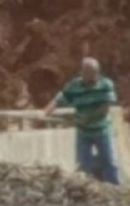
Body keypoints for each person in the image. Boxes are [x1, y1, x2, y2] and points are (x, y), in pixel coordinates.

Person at [42, 57, 120, 185]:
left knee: (110, 162)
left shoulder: (105, 84)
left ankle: (114, 188)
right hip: (83, 132)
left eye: (94, 73)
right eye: (87, 73)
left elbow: (105, 108)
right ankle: (85, 189)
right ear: (82, 73)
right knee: (83, 165)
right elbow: (62, 96)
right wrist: (49, 108)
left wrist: (86, 118)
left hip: (102, 130)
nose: (91, 76)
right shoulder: (75, 85)